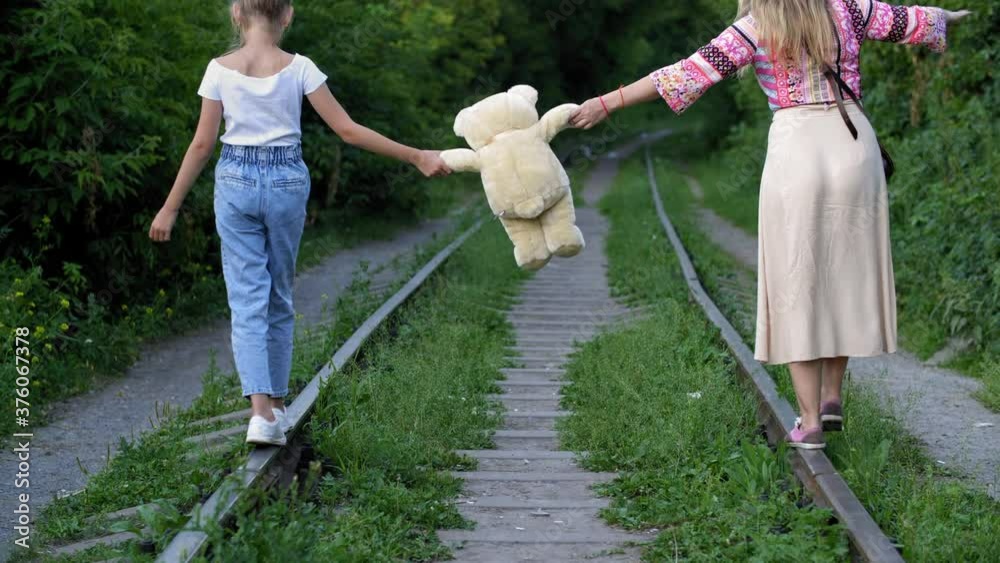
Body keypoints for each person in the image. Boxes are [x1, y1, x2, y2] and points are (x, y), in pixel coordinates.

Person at [570, 0, 970, 449]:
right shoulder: (849, 11)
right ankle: (833, 395)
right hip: (854, 146)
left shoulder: (755, 28)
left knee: (796, 281)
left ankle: (809, 420)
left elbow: (685, 74)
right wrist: (950, 17)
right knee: (845, 273)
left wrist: (605, 103)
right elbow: (912, 21)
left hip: (797, 150)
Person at [148, 0, 451, 446]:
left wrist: (170, 206)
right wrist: (417, 155)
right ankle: (276, 405)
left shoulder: (218, 69)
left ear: (237, 14)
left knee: (248, 297)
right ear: (287, 16)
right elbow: (347, 130)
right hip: (287, 180)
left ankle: (262, 413)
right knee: (279, 294)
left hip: (234, 180)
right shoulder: (301, 67)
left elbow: (201, 145)